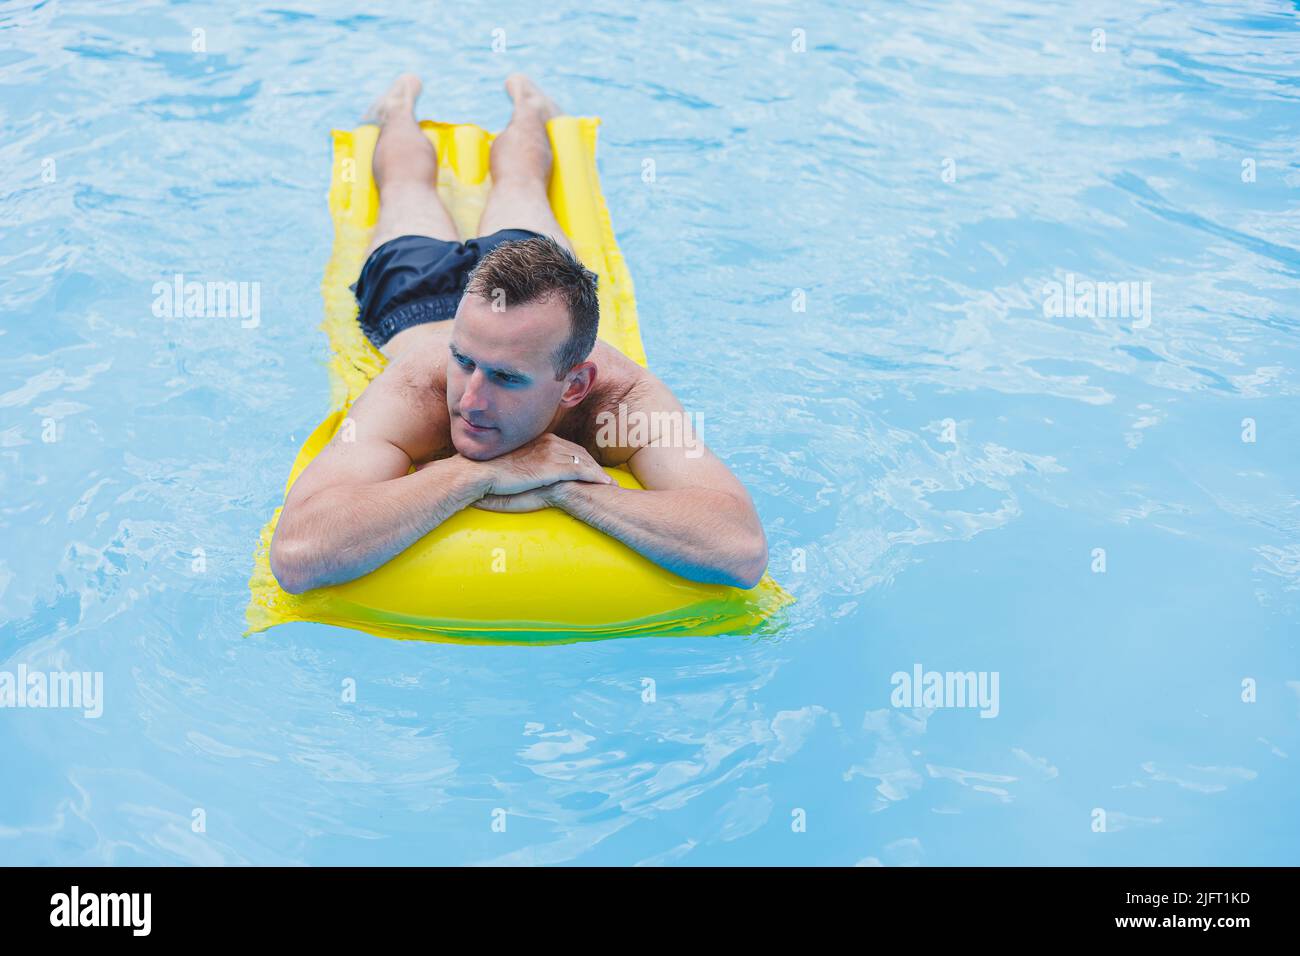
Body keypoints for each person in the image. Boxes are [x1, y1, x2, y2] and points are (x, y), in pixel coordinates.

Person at [269, 73, 768, 594]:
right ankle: (398, 109)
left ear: (574, 386)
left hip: (530, 294)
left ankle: (529, 105)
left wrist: (570, 488)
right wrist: (472, 475)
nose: (470, 400)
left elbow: (740, 547)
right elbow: (299, 554)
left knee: (523, 181)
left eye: (507, 378)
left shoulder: (621, 403)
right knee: (404, 185)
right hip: (413, 303)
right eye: (463, 362)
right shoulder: (419, 390)